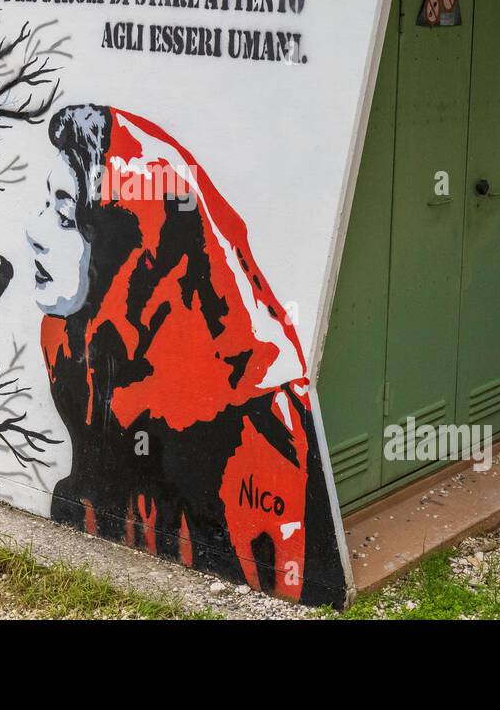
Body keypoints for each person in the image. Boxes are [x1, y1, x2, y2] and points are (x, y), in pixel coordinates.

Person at [26, 104, 345, 605]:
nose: (35, 232)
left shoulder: (255, 424)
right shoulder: (82, 353)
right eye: (45, 204)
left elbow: (283, 567)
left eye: (65, 214)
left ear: (129, 248)